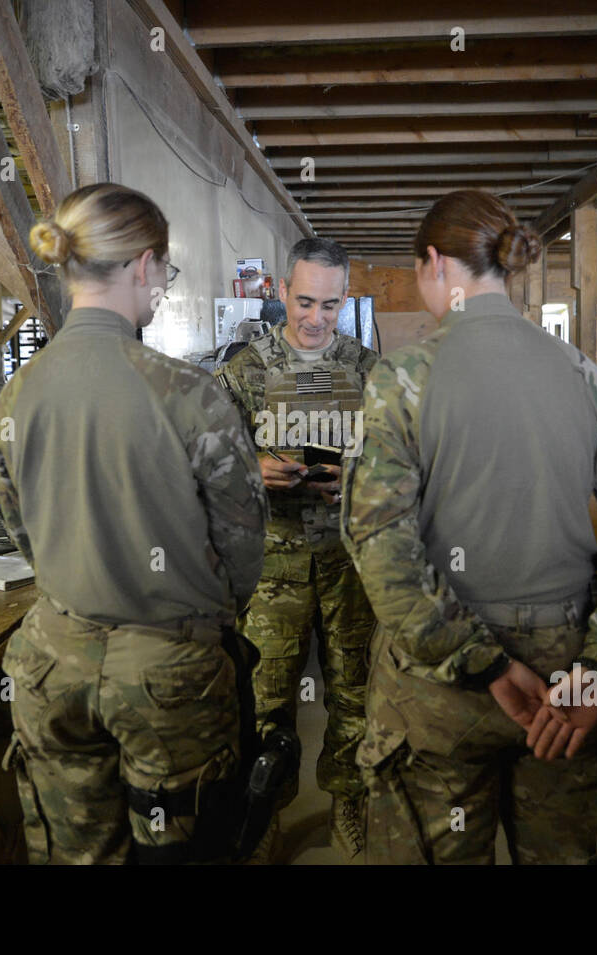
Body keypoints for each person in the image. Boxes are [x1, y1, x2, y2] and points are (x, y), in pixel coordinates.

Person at [342, 189, 597, 865]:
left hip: (438, 690)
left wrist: (485, 663)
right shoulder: (583, 374)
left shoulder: (403, 379)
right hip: (569, 675)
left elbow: (379, 545)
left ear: (434, 264)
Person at [0, 183, 267, 864]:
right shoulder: (189, 392)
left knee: (75, 851)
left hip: (51, 661)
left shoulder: (19, 390)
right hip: (169, 672)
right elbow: (241, 543)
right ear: (143, 265)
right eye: (164, 272)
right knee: (179, 848)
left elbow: (15, 520)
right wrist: (210, 612)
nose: (162, 288)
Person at [216, 237, 378, 858]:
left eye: (330, 307)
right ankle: (265, 813)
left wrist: (358, 473)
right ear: (282, 292)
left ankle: (348, 803)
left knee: (354, 693)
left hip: (347, 559)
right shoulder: (242, 372)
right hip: (271, 562)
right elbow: (200, 466)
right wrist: (249, 468)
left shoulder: (367, 371)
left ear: (345, 302)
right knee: (266, 696)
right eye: (305, 301)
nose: (315, 319)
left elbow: (405, 461)